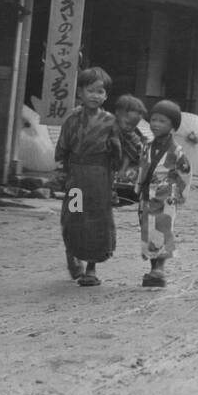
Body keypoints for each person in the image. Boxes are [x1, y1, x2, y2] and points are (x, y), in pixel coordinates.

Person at [57, 67, 122, 287]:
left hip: (100, 178)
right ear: (80, 93)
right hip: (76, 177)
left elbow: (117, 155)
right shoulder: (72, 120)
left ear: (106, 96)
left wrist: (116, 176)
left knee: (97, 220)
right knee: (74, 217)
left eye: (100, 92)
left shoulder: (111, 122)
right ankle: (73, 256)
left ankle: (92, 268)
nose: (95, 96)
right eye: (90, 90)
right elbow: (62, 150)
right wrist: (62, 175)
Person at [137, 100, 191, 288]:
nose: (156, 124)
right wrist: (138, 186)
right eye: (153, 120)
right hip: (147, 194)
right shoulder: (146, 147)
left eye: (162, 121)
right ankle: (153, 267)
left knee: (162, 229)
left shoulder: (176, 150)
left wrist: (178, 195)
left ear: (173, 127)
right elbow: (142, 169)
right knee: (148, 229)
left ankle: (159, 268)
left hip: (166, 195)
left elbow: (184, 173)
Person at [112, 94, 147, 200]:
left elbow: (129, 154)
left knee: (132, 175)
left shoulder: (131, 135)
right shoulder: (108, 125)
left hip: (126, 163)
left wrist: (123, 169)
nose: (130, 127)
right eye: (128, 123)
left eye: (134, 125)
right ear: (117, 113)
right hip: (109, 159)